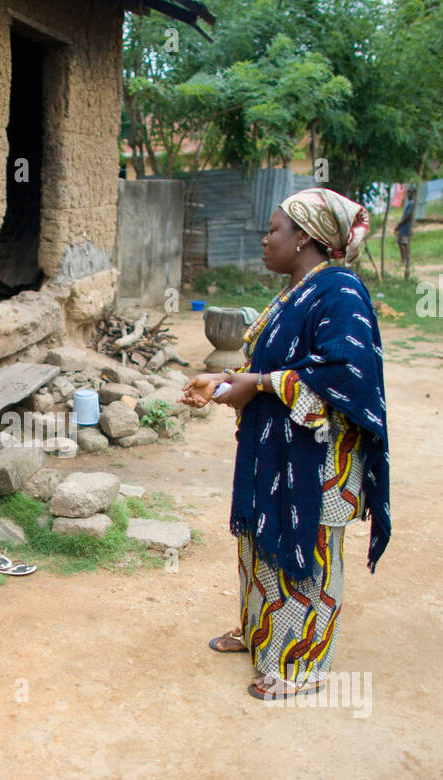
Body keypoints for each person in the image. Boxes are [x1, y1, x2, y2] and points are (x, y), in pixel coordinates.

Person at [181, 188, 391, 701]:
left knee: (311, 557)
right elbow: (267, 370)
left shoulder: (340, 293)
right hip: (274, 452)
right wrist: (227, 383)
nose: (264, 238)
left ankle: (303, 665)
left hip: (320, 461)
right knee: (260, 545)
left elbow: (347, 375)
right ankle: (262, 638)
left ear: (303, 238)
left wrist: (260, 384)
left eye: (273, 230)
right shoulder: (292, 295)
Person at [394, 184, 417, 281]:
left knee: (402, 242)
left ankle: (404, 260)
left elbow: (408, 216)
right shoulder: (408, 202)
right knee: (401, 242)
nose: (408, 194)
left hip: (406, 226)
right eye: (407, 192)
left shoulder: (412, 203)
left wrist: (399, 225)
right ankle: (404, 259)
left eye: (410, 192)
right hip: (404, 225)